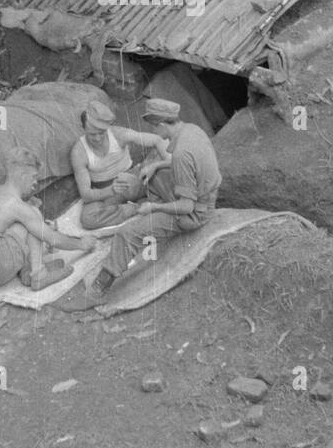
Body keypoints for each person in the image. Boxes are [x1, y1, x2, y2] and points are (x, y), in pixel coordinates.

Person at [58, 97, 221, 311]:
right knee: (151, 177)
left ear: (162, 125)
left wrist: (154, 208)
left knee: (127, 235)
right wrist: (157, 165)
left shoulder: (180, 154)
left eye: (155, 127)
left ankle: (97, 292)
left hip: (194, 214)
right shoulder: (192, 130)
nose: (157, 133)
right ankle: (150, 200)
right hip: (204, 195)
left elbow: (186, 207)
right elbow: (180, 164)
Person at [0, 148, 100, 292]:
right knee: (33, 217)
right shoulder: (15, 204)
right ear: (23, 176)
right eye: (34, 177)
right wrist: (81, 244)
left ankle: (27, 271)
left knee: (24, 219)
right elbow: (53, 239)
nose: (35, 183)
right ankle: (39, 275)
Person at [70, 98, 172, 230]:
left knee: (163, 164)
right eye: (92, 134)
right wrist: (110, 190)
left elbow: (157, 140)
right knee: (88, 218)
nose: (97, 138)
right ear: (83, 128)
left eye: (101, 133)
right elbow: (86, 194)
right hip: (107, 191)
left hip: (134, 178)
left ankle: (152, 199)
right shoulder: (78, 152)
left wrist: (165, 161)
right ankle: (138, 207)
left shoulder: (117, 133)